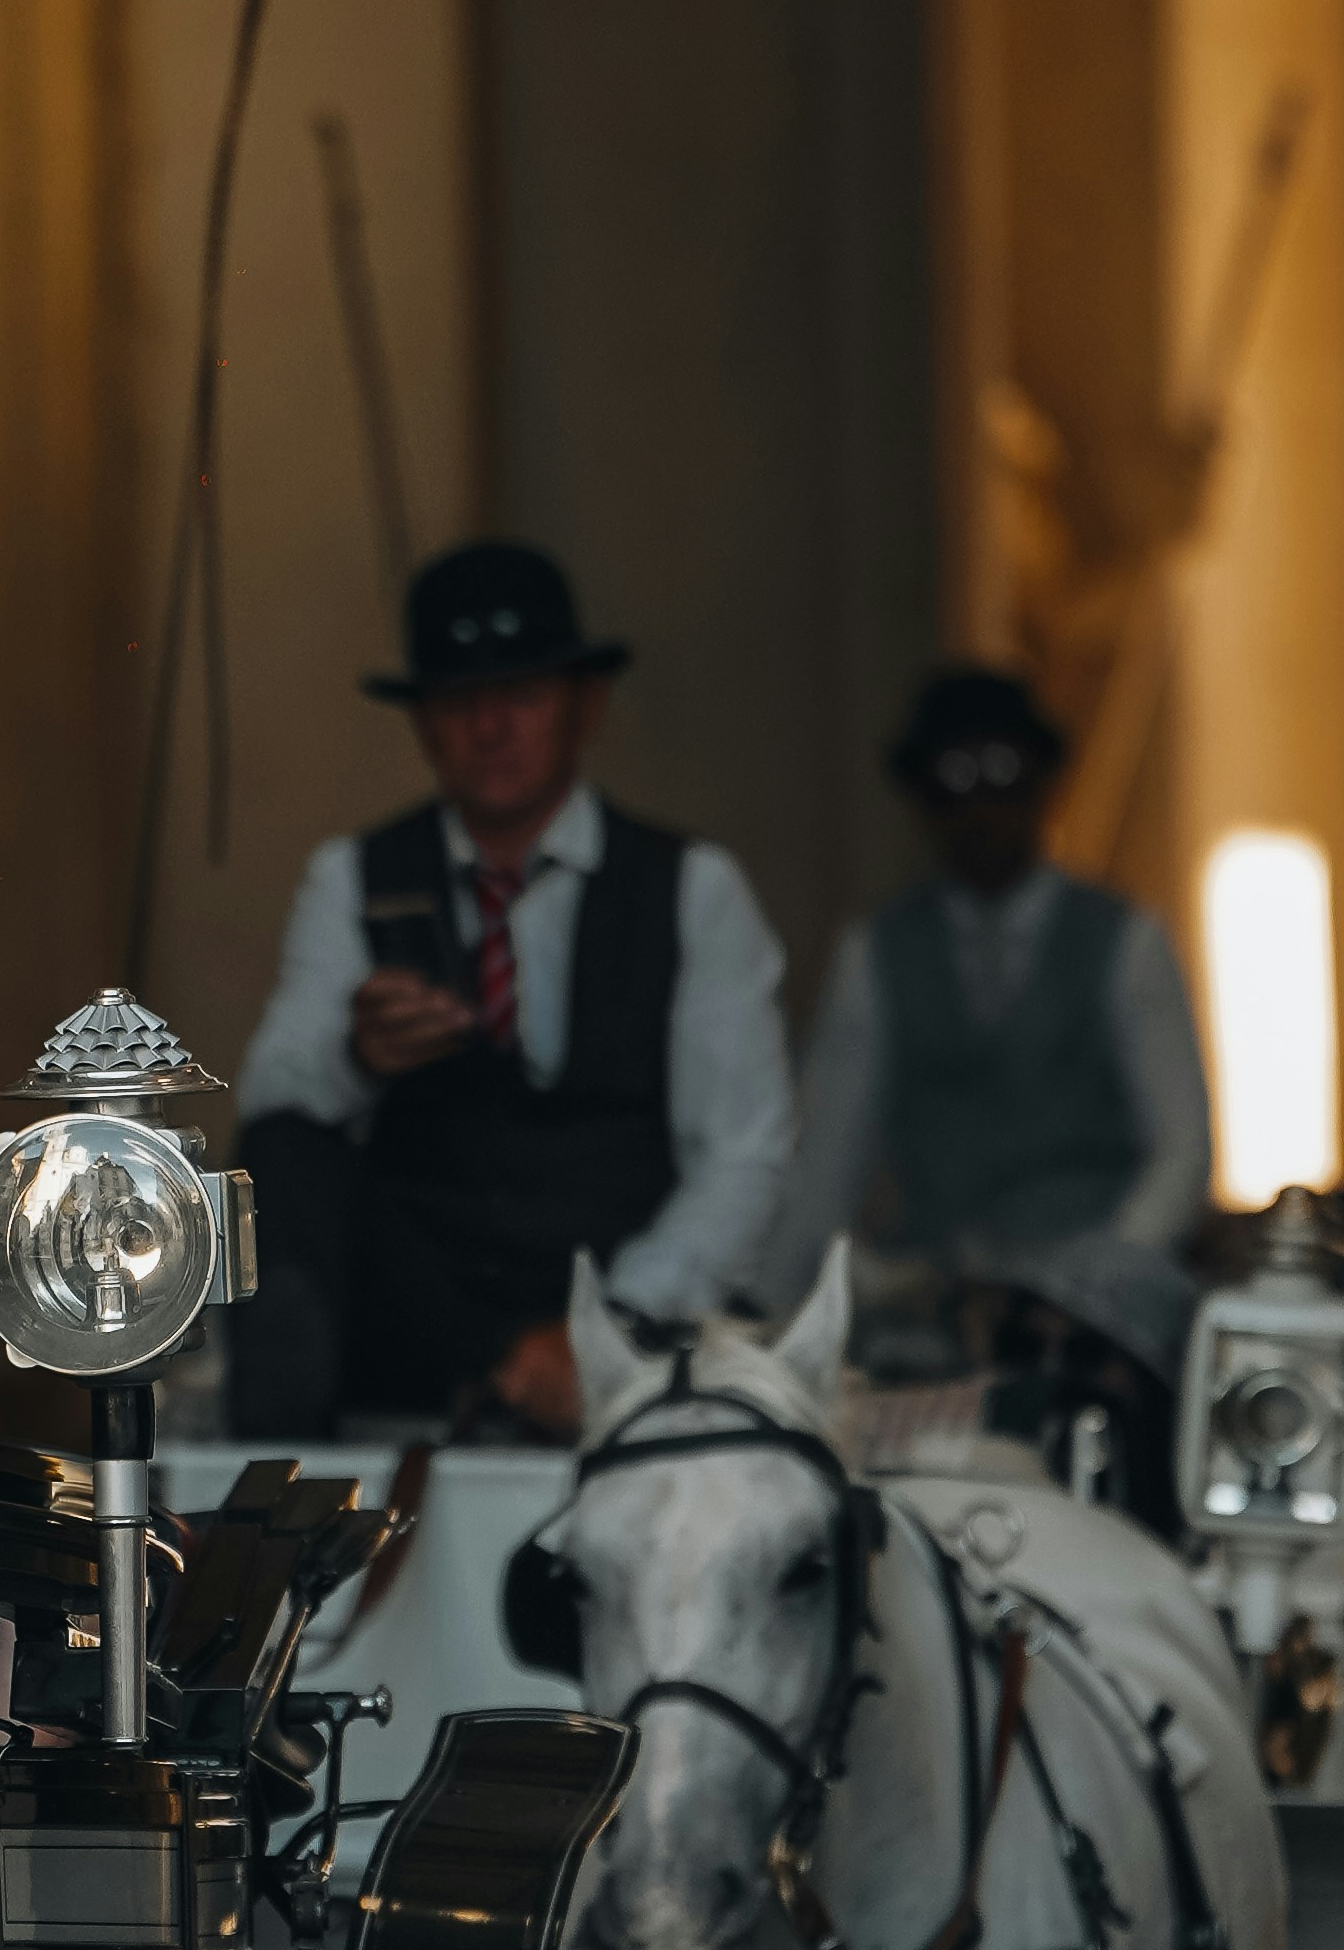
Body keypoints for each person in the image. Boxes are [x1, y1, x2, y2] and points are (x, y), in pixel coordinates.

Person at [228, 539, 792, 1436]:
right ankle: (268, 1497)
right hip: (417, 1319)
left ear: (585, 707)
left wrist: (601, 1332)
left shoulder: (692, 887)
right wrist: (356, 1057)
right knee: (282, 1148)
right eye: (459, 701)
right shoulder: (352, 875)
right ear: (422, 722)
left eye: (521, 696)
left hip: (626, 1301)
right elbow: (272, 1099)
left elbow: (741, 1156)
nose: (490, 729)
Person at [762, 661, 1210, 1338]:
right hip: (940, 1294)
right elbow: (827, 1158)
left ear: (1042, 783)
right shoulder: (875, 954)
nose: (980, 809)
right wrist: (766, 1312)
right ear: (921, 799)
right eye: (953, 781)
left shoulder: (1124, 942)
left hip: (1097, 1303)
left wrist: (1110, 1269)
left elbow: (1180, 1150)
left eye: (1002, 775)